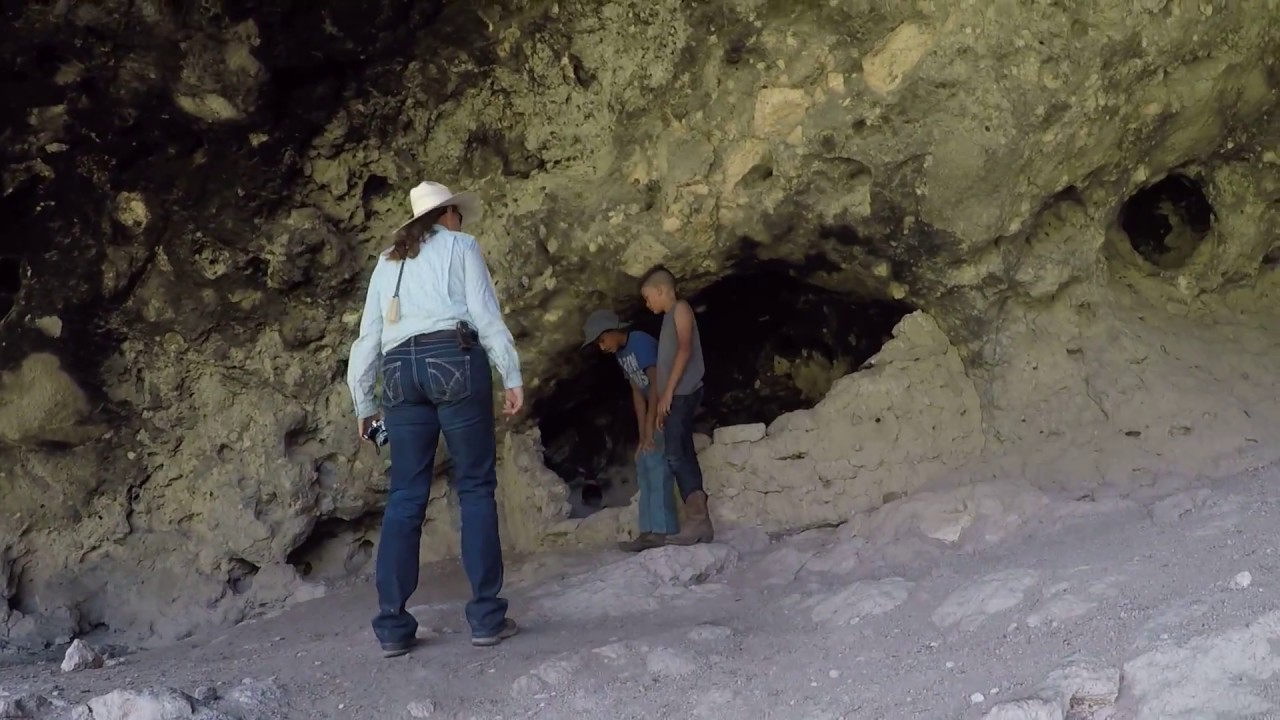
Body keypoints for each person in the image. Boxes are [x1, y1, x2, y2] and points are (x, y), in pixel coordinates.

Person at [347, 180, 523, 658]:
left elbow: (367, 338)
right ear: (447, 214)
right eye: (458, 215)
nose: (461, 222)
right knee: (475, 486)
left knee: (405, 496)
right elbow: (486, 316)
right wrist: (511, 374)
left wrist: (365, 405)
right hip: (454, 359)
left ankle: (392, 626)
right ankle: (487, 617)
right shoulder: (461, 246)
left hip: (398, 371)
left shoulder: (387, 262)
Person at [581, 308, 681, 552]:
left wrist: (651, 428)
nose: (602, 347)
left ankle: (663, 531)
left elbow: (656, 385)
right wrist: (641, 436)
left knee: (656, 464)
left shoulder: (640, 341)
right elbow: (638, 393)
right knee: (644, 463)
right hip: (651, 412)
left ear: (612, 330)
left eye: (602, 340)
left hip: (666, 407)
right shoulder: (621, 354)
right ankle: (647, 531)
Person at [639, 267, 714, 545]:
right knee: (682, 451)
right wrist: (660, 403)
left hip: (683, 392)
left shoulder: (681, 308)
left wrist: (668, 393)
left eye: (648, 297)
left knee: (674, 454)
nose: (647, 304)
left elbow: (685, 348)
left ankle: (698, 521)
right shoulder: (667, 318)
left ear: (661, 290)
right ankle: (699, 524)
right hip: (675, 395)